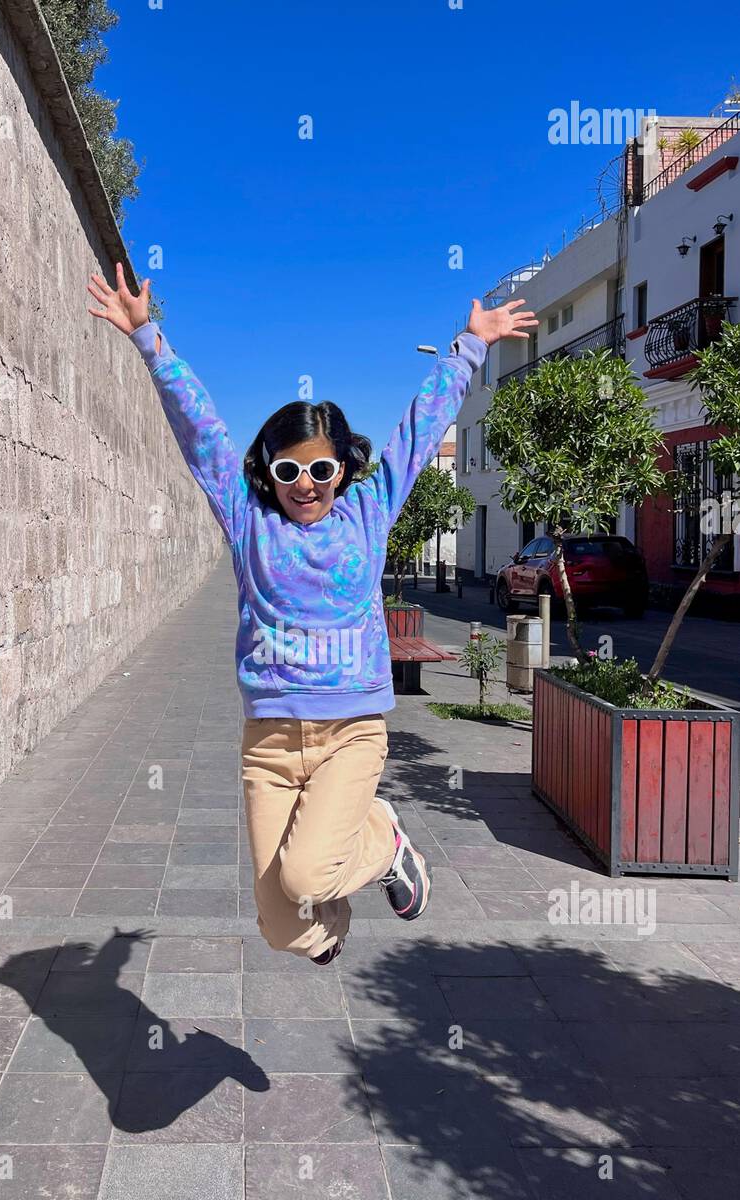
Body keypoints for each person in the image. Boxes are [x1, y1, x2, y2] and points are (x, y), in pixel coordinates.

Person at [88, 267, 537, 963]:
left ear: (341, 472)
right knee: (284, 928)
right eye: (289, 471)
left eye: (320, 471)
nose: (305, 485)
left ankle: (385, 841)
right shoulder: (246, 521)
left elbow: (418, 432)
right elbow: (201, 432)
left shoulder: (369, 510)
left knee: (305, 874)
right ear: (267, 474)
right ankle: (333, 925)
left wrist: (469, 348)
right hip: (268, 747)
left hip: (350, 733)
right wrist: (150, 340)